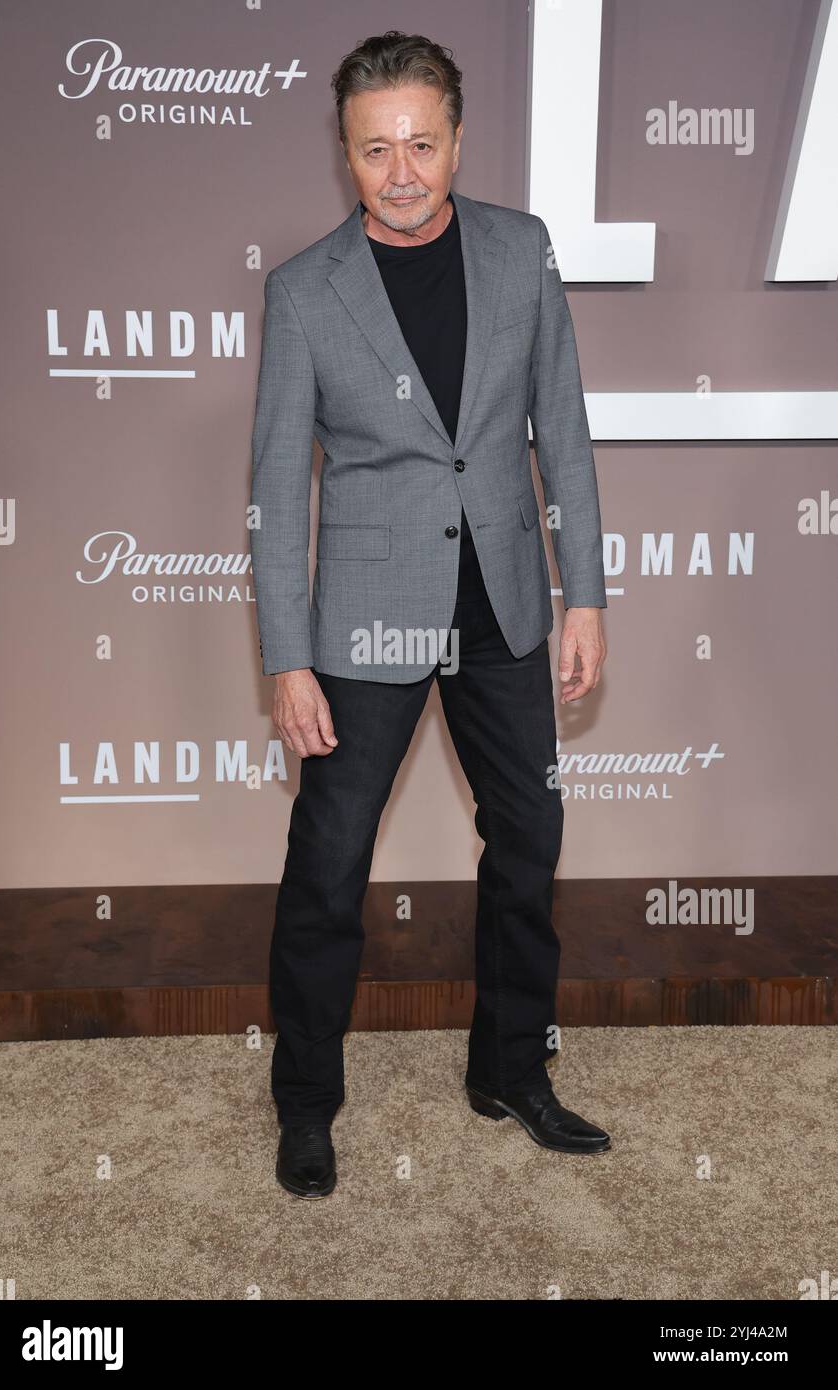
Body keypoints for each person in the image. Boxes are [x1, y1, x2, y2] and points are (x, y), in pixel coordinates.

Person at [249, 31, 610, 1198]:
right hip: (364, 618)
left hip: (503, 601)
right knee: (330, 863)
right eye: (373, 151)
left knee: (529, 846)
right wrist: (287, 658)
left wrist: (585, 595)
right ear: (344, 157)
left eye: (420, 144)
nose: (400, 172)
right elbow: (271, 490)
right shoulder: (304, 291)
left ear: (457, 140)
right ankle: (307, 1103)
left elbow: (561, 430)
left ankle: (510, 1068)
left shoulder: (522, 251)